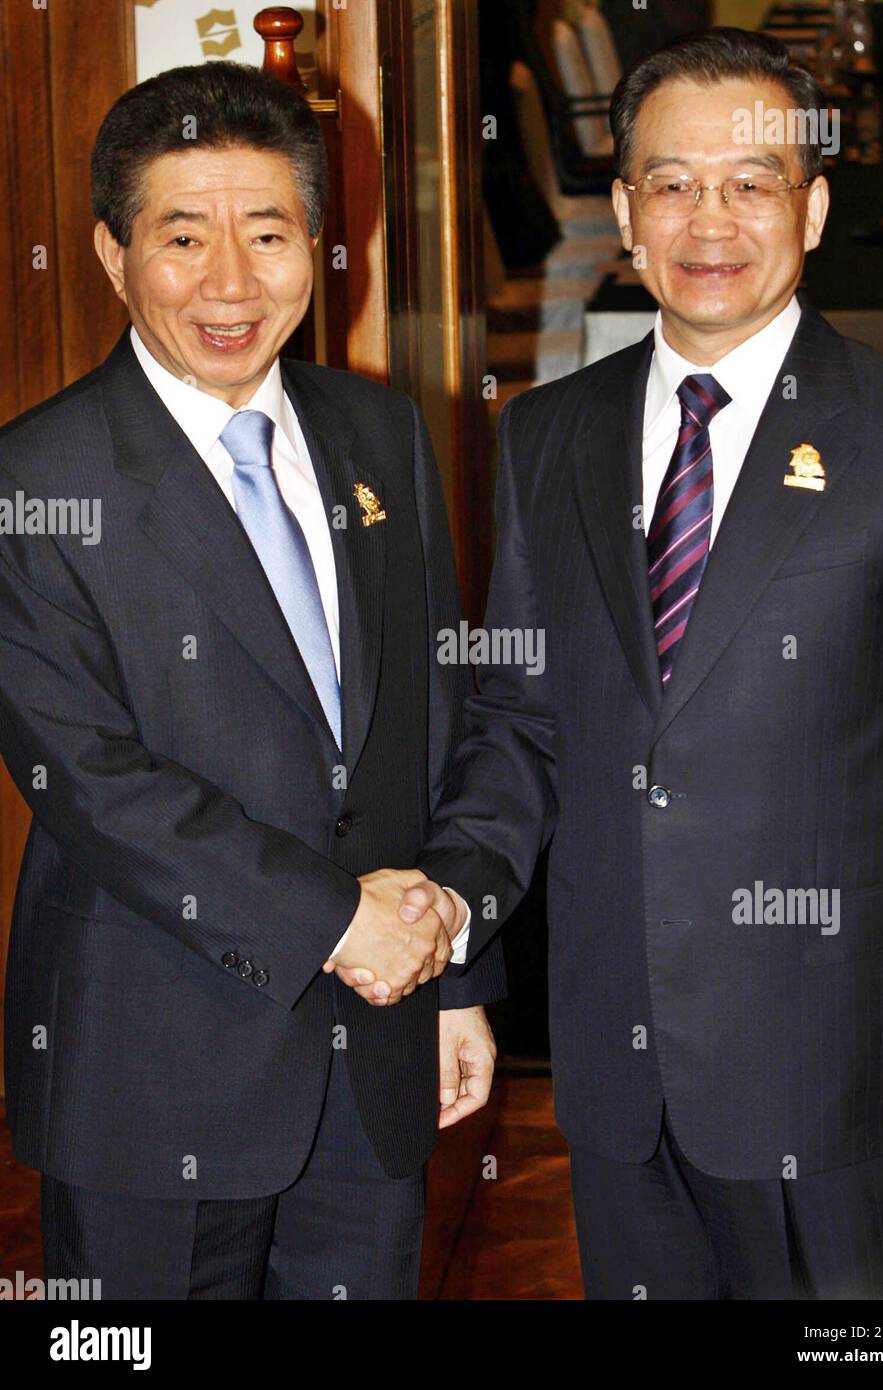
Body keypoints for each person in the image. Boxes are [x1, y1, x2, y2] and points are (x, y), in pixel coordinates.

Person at [372, 28, 883, 1298]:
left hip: (827, 1052)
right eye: (673, 183)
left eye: (751, 182)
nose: (711, 220)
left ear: (812, 209)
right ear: (624, 213)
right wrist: (455, 936)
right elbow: (519, 723)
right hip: (615, 1052)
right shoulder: (548, 432)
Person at [0, 60, 500, 1300]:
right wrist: (338, 921)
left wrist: (455, 972)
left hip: (376, 1052)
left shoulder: (382, 434)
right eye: (184, 236)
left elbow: (439, 721)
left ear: (318, 246)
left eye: (268, 233)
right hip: (151, 1065)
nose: (231, 281)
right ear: (114, 256)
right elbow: (94, 783)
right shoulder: (37, 483)